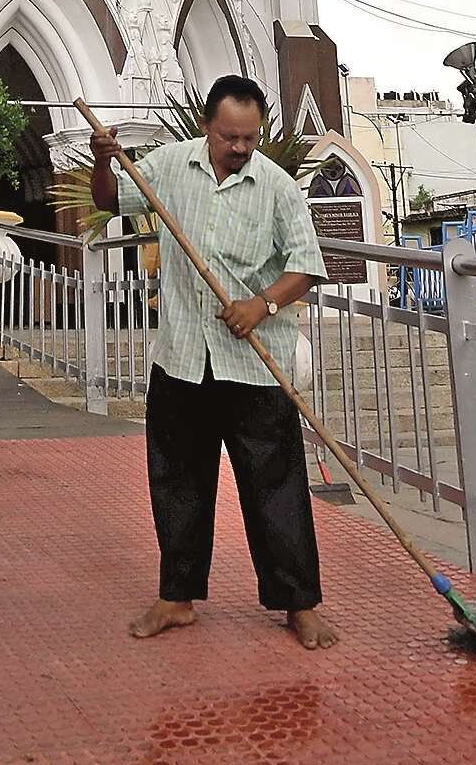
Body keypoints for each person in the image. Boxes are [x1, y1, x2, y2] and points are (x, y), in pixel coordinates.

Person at [90, 73, 337, 650]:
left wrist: (263, 303)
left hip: (253, 364)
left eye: (250, 138)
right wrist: (105, 162)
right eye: (230, 137)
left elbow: (306, 263)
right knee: (178, 483)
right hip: (182, 357)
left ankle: (298, 604)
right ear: (208, 127)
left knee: (274, 487)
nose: (240, 148)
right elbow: (111, 200)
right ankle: (177, 598)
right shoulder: (171, 166)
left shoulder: (277, 188)